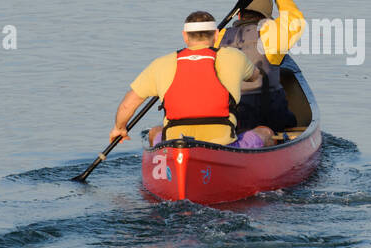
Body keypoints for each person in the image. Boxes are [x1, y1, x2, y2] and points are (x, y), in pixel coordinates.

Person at [108, 11, 277, 150]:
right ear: (216, 35)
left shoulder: (162, 63)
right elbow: (255, 75)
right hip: (223, 146)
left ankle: (168, 169)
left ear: (185, 36)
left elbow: (127, 106)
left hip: (175, 146)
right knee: (266, 132)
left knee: (154, 132)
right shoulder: (234, 57)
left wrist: (119, 128)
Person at [215, 0, 304, 132]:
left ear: (239, 15)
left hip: (231, 115)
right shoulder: (271, 34)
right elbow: (295, 22)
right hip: (268, 115)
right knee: (289, 120)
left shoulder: (219, 36)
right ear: (266, 19)